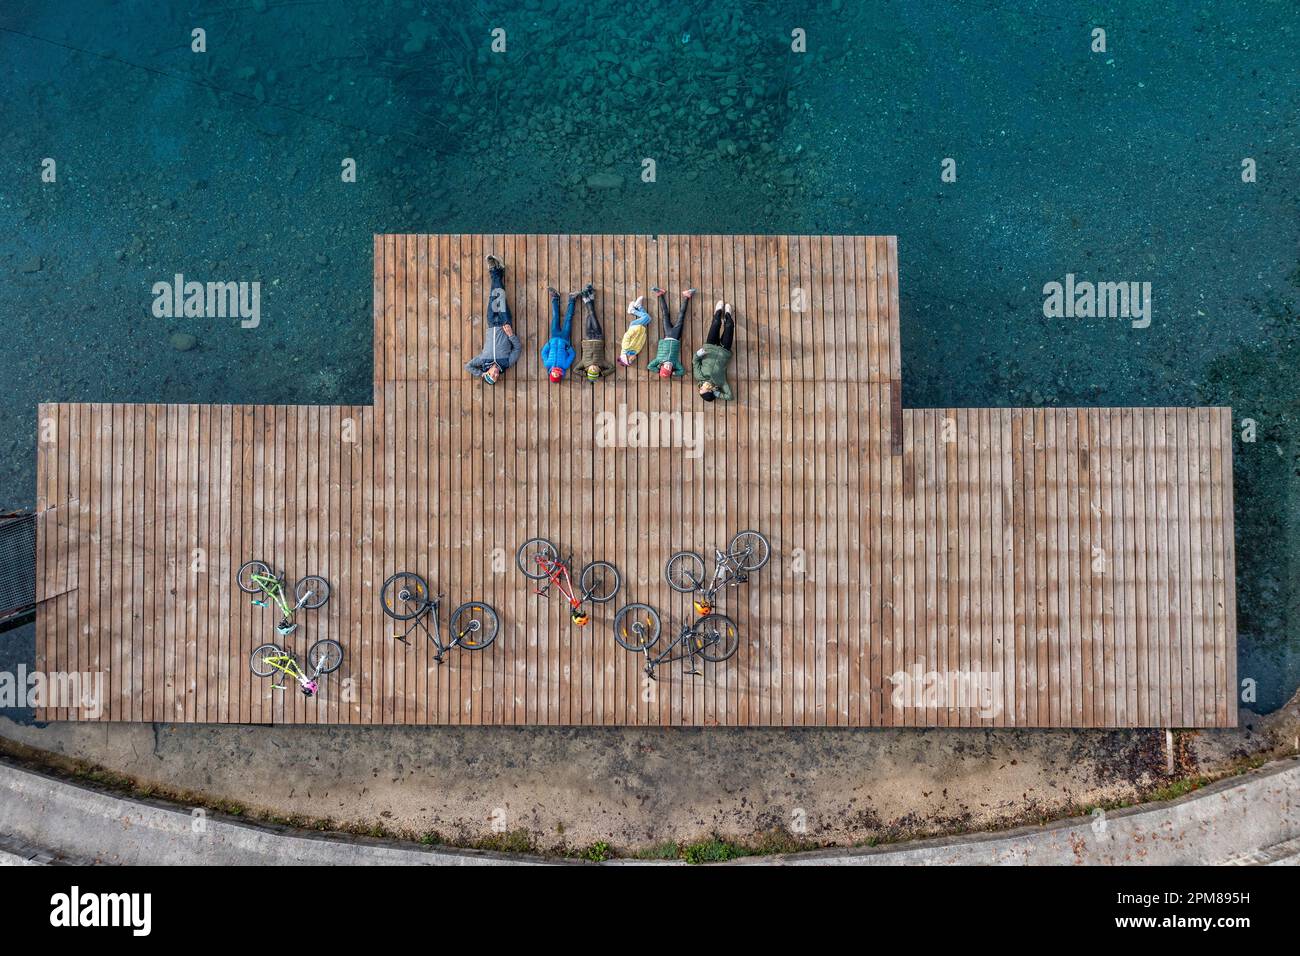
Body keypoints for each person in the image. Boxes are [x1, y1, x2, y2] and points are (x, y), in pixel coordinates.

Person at [464, 254, 522, 384]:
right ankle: (494, 269)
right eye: (496, 376)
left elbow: (468, 366)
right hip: (504, 323)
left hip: (491, 323)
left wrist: (481, 374)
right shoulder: (507, 363)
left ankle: (497, 270)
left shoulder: (483, 361)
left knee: (493, 296)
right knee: (499, 295)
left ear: (488, 373)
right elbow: (518, 349)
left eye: (492, 375)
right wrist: (511, 335)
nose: (495, 373)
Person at [646, 286, 695, 378]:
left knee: (665, 314)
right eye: (669, 368)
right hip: (676, 336)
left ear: (662, 367)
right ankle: (687, 296)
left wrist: (659, 371)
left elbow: (649, 366)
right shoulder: (675, 363)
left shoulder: (658, 360)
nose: (668, 366)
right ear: (671, 369)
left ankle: (660, 294)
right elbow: (682, 371)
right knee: (681, 316)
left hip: (667, 334)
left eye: (666, 367)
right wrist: (674, 373)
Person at [693, 300, 735, 401]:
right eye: (703, 389)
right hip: (724, 351)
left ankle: (718, 311)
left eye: (700, 388)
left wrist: (698, 354)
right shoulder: (720, 382)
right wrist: (717, 394)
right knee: (729, 325)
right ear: (710, 390)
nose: (701, 387)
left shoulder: (699, 376)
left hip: (710, 347)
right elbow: (729, 396)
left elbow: (695, 362)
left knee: (716, 323)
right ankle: (728, 314)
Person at [576, 283, 615, 382]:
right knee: (592, 314)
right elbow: (612, 368)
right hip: (598, 337)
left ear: (587, 370)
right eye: (595, 371)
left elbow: (575, 370)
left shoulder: (583, 364)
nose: (593, 369)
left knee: (589, 315)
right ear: (598, 370)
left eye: (591, 371)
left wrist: (585, 375)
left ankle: (590, 295)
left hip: (588, 338)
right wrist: (602, 374)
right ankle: (586, 297)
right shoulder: (602, 363)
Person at [542, 286, 577, 382]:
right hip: (565, 339)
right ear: (560, 375)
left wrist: (548, 344)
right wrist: (568, 348)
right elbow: (572, 354)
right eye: (557, 374)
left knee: (555, 317)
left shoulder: (547, 364)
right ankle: (572, 299)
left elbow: (544, 352)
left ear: (551, 374)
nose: (555, 373)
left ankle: (555, 298)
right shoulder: (565, 365)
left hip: (554, 337)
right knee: (568, 318)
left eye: (554, 374)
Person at [617, 295, 652, 366]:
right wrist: (644, 335)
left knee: (647, 317)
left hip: (634, 326)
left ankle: (632, 310)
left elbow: (627, 335)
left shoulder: (626, 347)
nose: (633, 359)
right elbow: (641, 343)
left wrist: (636, 329)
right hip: (641, 330)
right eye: (632, 361)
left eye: (631, 360)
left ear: (627, 357)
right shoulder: (636, 351)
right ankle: (638, 306)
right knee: (648, 318)